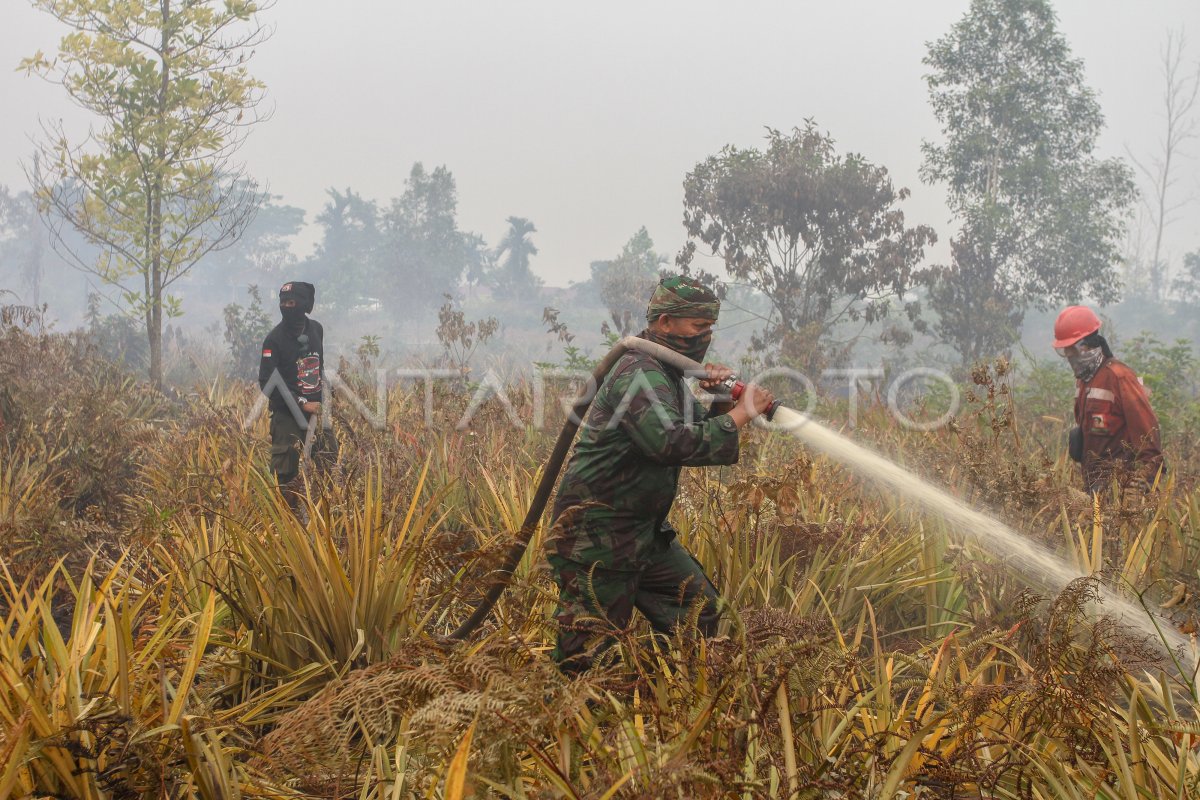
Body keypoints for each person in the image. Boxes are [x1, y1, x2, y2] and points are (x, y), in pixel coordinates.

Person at [545, 275, 776, 674]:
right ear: (666, 322)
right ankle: (573, 727)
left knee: (697, 610)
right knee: (588, 657)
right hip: (597, 537)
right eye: (698, 327)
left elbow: (692, 431)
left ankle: (665, 700)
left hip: (642, 533)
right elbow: (671, 443)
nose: (705, 336)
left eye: (709, 328)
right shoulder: (639, 371)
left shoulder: (664, 372)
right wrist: (743, 413)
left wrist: (721, 398)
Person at [1053, 305, 1163, 494]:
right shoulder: (1083, 382)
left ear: (1086, 346)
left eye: (1071, 349)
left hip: (1119, 491)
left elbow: (1148, 433)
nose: (1069, 356)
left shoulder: (1119, 377)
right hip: (1093, 489)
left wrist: (1146, 478)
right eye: (1065, 351)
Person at [257, 281, 338, 512]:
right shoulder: (273, 340)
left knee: (328, 461)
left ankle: (325, 516)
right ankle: (287, 524)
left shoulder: (316, 330)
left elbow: (318, 368)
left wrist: (324, 398)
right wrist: (302, 403)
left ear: (304, 304)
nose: (286, 306)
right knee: (286, 472)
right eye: (283, 302)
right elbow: (267, 382)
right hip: (287, 414)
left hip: (318, 411)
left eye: (291, 302)